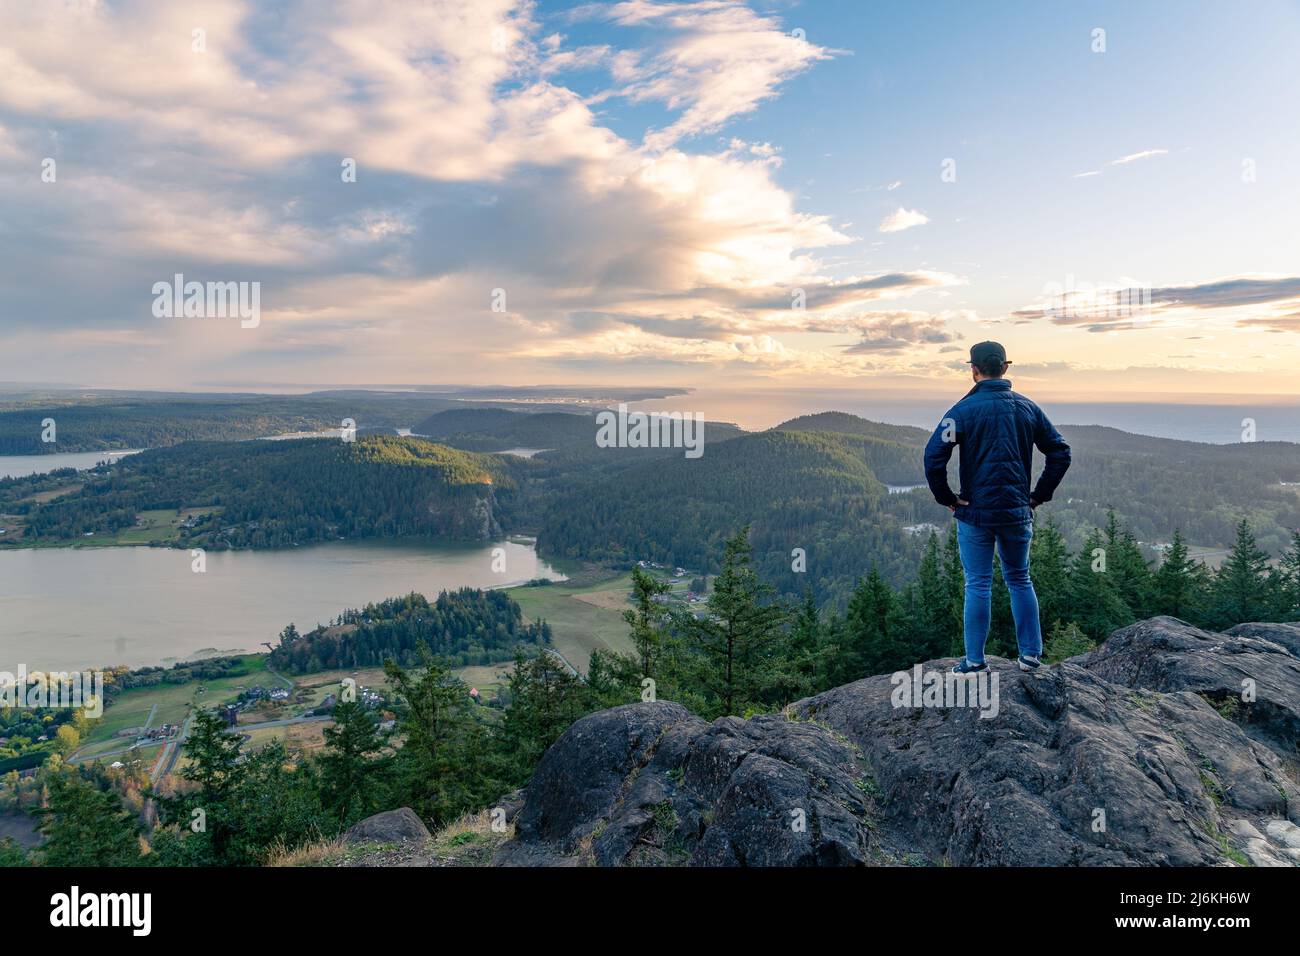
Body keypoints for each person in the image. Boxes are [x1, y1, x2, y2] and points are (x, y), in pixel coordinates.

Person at [923, 341, 1071, 674]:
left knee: (978, 583)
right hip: (1016, 513)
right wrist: (1037, 496)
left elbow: (933, 457)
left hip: (975, 514)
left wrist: (947, 498)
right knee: (1020, 579)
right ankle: (1031, 655)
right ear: (1005, 368)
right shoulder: (1027, 408)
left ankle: (975, 661)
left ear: (973, 370)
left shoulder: (961, 412)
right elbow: (1060, 452)